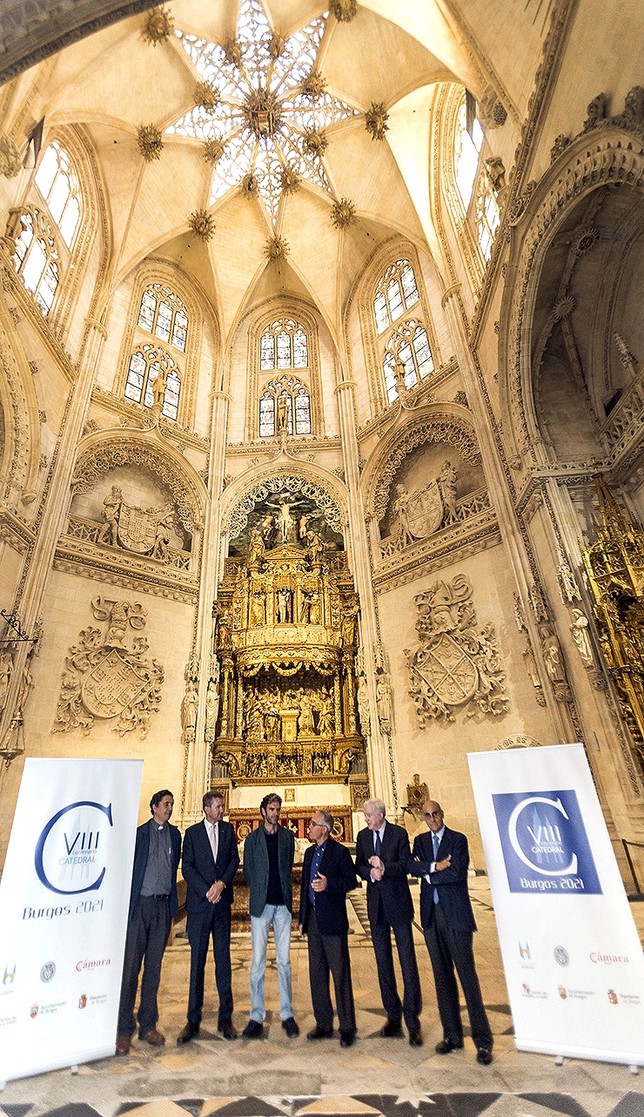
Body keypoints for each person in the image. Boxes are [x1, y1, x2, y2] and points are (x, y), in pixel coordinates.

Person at [408, 800, 493, 1065]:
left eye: (435, 814)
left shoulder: (458, 840)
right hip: (431, 919)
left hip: (456, 917)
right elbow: (413, 866)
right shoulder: (420, 841)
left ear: (442, 814)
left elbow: (457, 873)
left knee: (468, 979)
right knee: (442, 978)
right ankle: (452, 1035)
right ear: (422, 818)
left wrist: (430, 873)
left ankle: (483, 1041)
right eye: (427, 815)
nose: (432, 818)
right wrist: (436, 867)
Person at [116, 789, 182, 1056]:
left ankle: (148, 1025)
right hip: (140, 906)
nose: (169, 808)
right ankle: (122, 1029)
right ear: (154, 807)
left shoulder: (175, 835)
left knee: (153, 969)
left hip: (162, 906)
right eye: (166, 804)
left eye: (172, 805)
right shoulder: (139, 834)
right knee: (131, 968)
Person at [355, 798, 422, 1046]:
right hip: (376, 907)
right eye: (365, 816)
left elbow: (406, 865)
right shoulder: (363, 837)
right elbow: (359, 865)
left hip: (399, 903)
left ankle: (413, 1020)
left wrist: (385, 866)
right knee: (383, 963)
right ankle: (393, 1016)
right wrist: (370, 873)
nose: (366, 819)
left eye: (369, 815)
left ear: (381, 815)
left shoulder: (399, 834)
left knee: (407, 961)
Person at [177, 792, 240, 1044]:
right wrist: (207, 889)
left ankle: (226, 1017)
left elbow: (234, 860)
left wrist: (222, 884)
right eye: (217, 806)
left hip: (222, 904)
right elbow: (187, 867)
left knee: (223, 961)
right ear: (206, 808)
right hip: (201, 906)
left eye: (222, 806)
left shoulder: (227, 830)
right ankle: (193, 1019)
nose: (221, 810)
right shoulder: (192, 834)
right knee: (197, 963)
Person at [299, 810, 358, 1047]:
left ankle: (347, 1026)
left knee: (340, 973)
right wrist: (302, 918)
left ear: (324, 829)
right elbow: (305, 887)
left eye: (313, 824)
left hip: (333, 919)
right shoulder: (309, 853)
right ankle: (323, 1023)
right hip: (313, 919)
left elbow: (351, 881)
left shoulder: (340, 852)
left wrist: (329, 884)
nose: (309, 828)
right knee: (317, 973)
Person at [242, 793, 299, 1039]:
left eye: (278, 809)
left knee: (284, 961)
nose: (275, 813)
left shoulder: (288, 837)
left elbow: (287, 866)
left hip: (283, 905)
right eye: (272, 809)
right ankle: (256, 1014)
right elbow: (248, 872)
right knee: (257, 962)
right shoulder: (252, 839)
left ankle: (287, 1013)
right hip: (261, 906)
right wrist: (260, 889)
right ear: (263, 811)